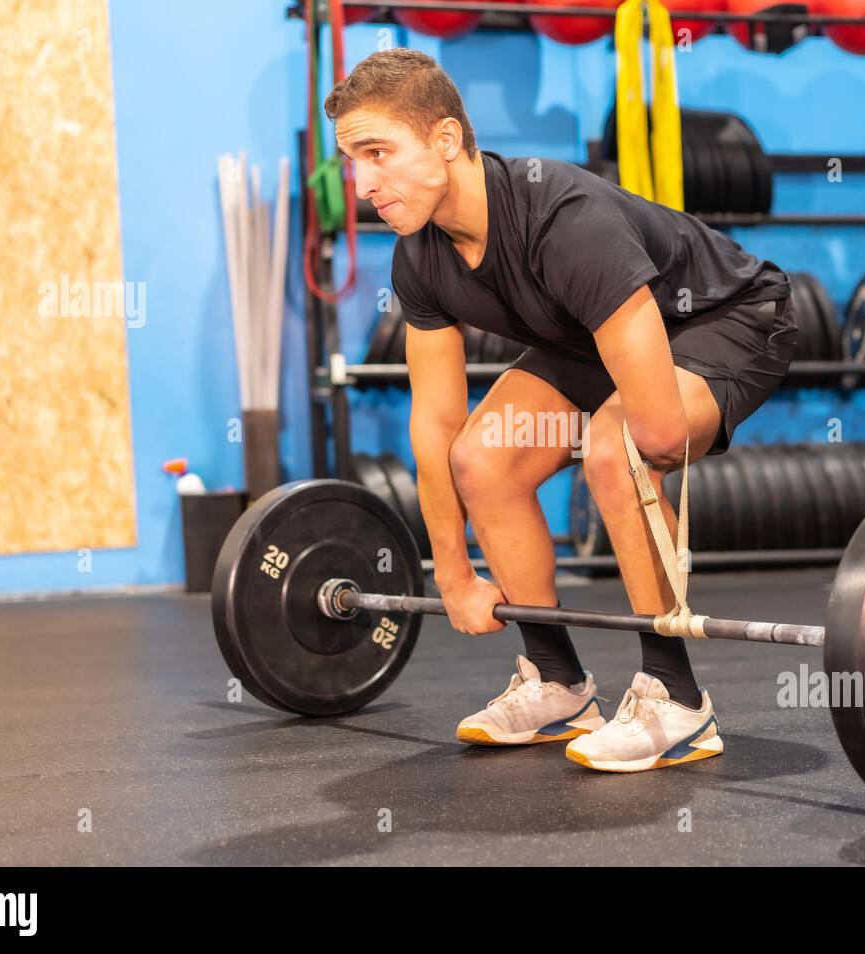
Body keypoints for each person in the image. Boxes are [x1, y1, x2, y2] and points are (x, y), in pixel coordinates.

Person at [326, 49, 796, 772]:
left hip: (725, 318)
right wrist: (450, 573)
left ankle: (677, 701)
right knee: (482, 459)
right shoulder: (419, 258)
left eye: (378, 154)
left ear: (446, 140)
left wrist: (605, 446)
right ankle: (557, 682)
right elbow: (437, 424)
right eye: (354, 161)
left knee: (622, 447)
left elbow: (661, 435)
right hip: (596, 337)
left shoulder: (561, 219)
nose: (363, 184)